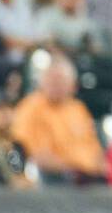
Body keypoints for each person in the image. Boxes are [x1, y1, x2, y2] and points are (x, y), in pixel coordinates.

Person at [10, 55, 106, 184]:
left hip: (87, 177)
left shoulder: (78, 108)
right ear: (41, 82)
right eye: (50, 79)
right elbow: (32, 154)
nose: (55, 84)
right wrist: (73, 168)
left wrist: (100, 167)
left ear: (72, 85)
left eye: (60, 80)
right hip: (54, 178)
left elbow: (94, 147)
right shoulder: (30, 107)